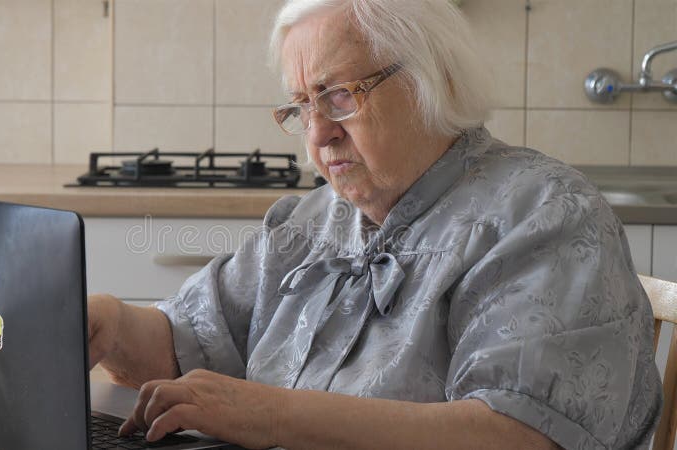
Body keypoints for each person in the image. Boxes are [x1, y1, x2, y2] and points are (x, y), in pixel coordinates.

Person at [88, 1, 663, 448]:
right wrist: (110, 325)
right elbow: (188, 341)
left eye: (338, 97)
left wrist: (270, 415)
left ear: (430, 81)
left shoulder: (545, 216)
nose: (317, 134)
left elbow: (516, 434)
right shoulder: (314, 220)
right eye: (300, 106)